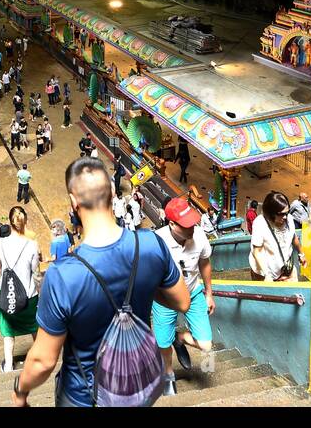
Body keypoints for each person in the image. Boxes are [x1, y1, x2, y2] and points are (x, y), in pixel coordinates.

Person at [11, 158, 191, 407]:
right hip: (135, 389)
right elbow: (182, 301)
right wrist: (144, 286)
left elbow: (43, 361)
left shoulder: (62, 275)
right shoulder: (151, 245)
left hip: (85, 397)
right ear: (114, 193)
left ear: (73, 203)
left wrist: (20, 390)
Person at [152, 197, 214, 396]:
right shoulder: (157, 242)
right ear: (171, 224)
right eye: (186, 225)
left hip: (193, 292)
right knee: (162, 343)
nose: (192, 228)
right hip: (165, 298)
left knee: (206, 346)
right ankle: (168, 374)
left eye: (193, 223)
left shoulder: (200, 236)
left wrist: (209, 293)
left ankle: (178, 339)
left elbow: (204, 263)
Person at [0, 208, 41, 372]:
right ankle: (39, 361)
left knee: (8, 333)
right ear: (25, 222)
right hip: (29, 296)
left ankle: (8, 365)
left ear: (10, 222)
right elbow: (36, 274)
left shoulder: (1, 244)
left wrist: (2, 284)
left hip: (8, 295)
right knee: (34, 328)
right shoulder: (32, 245)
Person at [248, 192, 301, 281]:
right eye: (281, 214)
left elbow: (293, 237)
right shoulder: (260, 223)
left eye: (287, 213)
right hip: (265, 273)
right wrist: (267, 275)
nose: (285, 217)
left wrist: (301, 254)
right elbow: (257, 251)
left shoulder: (289, 219)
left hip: (285, 269)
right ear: (271, 213)